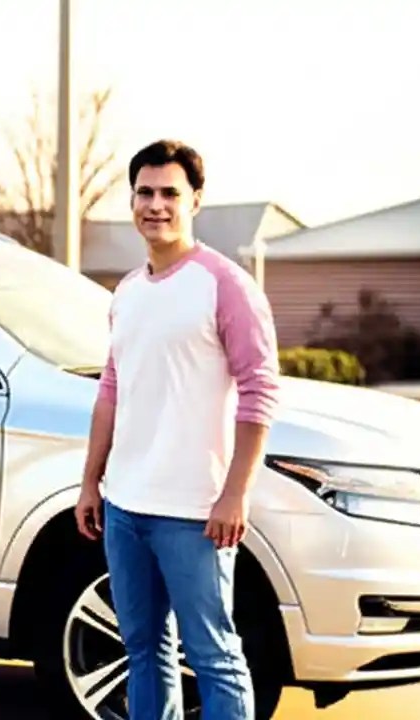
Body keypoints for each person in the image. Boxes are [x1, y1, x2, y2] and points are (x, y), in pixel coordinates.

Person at [74, 139, 281, 720]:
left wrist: (236, 493)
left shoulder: (226, 285)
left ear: (195, 200)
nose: (155, 205)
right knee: (143, 649)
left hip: (195, 511)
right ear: (132, 200)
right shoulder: (129, 292)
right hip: (125, 506)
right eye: (145, 193)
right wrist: (92, 483)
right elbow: (112, 389)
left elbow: (261, 392)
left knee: (214, 654)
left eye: (170, 193)